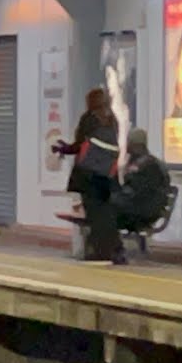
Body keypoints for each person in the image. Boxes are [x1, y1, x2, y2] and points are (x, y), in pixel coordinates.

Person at [53, 87, 121, 263]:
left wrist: (63, 149)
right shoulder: (112, 120)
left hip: (89, 175)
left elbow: (80, 145)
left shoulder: (89, 118)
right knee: (105, 212)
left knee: (93, 213)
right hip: (107, 175)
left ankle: (98, 252)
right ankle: (113, 250)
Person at [112, 128, 171, 235]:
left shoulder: (144, 166)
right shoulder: (154, 163)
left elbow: (134, 192)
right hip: (149, 212)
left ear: (135, 145)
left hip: (140, 215)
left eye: (128, 143)